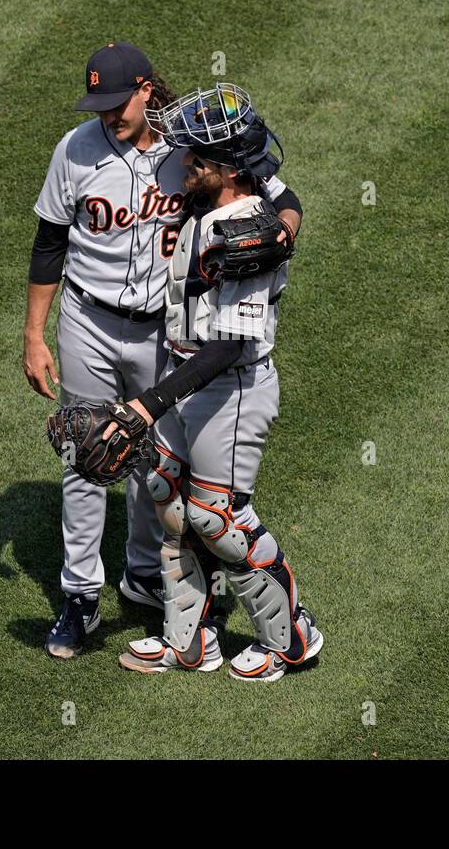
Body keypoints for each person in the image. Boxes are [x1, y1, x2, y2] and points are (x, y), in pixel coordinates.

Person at [25, 47, 304, 659]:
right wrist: (34, 335)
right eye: (95, 106)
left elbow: (280, 194)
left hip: (168, 334)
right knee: (87, 449)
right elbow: (49, 241)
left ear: (147, 91)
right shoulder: (75, 150)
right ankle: (80, 596)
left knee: (158, 471)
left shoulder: (195, 145)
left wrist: (283, 231)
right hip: (89, 319)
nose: (107, 117)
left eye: (116, 103)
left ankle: (150, 580)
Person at [108, 84, 324, 682]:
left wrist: (147, 405)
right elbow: (285, 192)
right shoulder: (236, 197)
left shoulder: (246, 238)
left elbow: (230, 348)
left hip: (230, 389)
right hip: (190, 378)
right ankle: (190, 641)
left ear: (227, 171)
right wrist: (290, 221)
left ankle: (293, 637)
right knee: (167, 493)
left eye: (196, 161)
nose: (183, 167)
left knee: (217, 518)